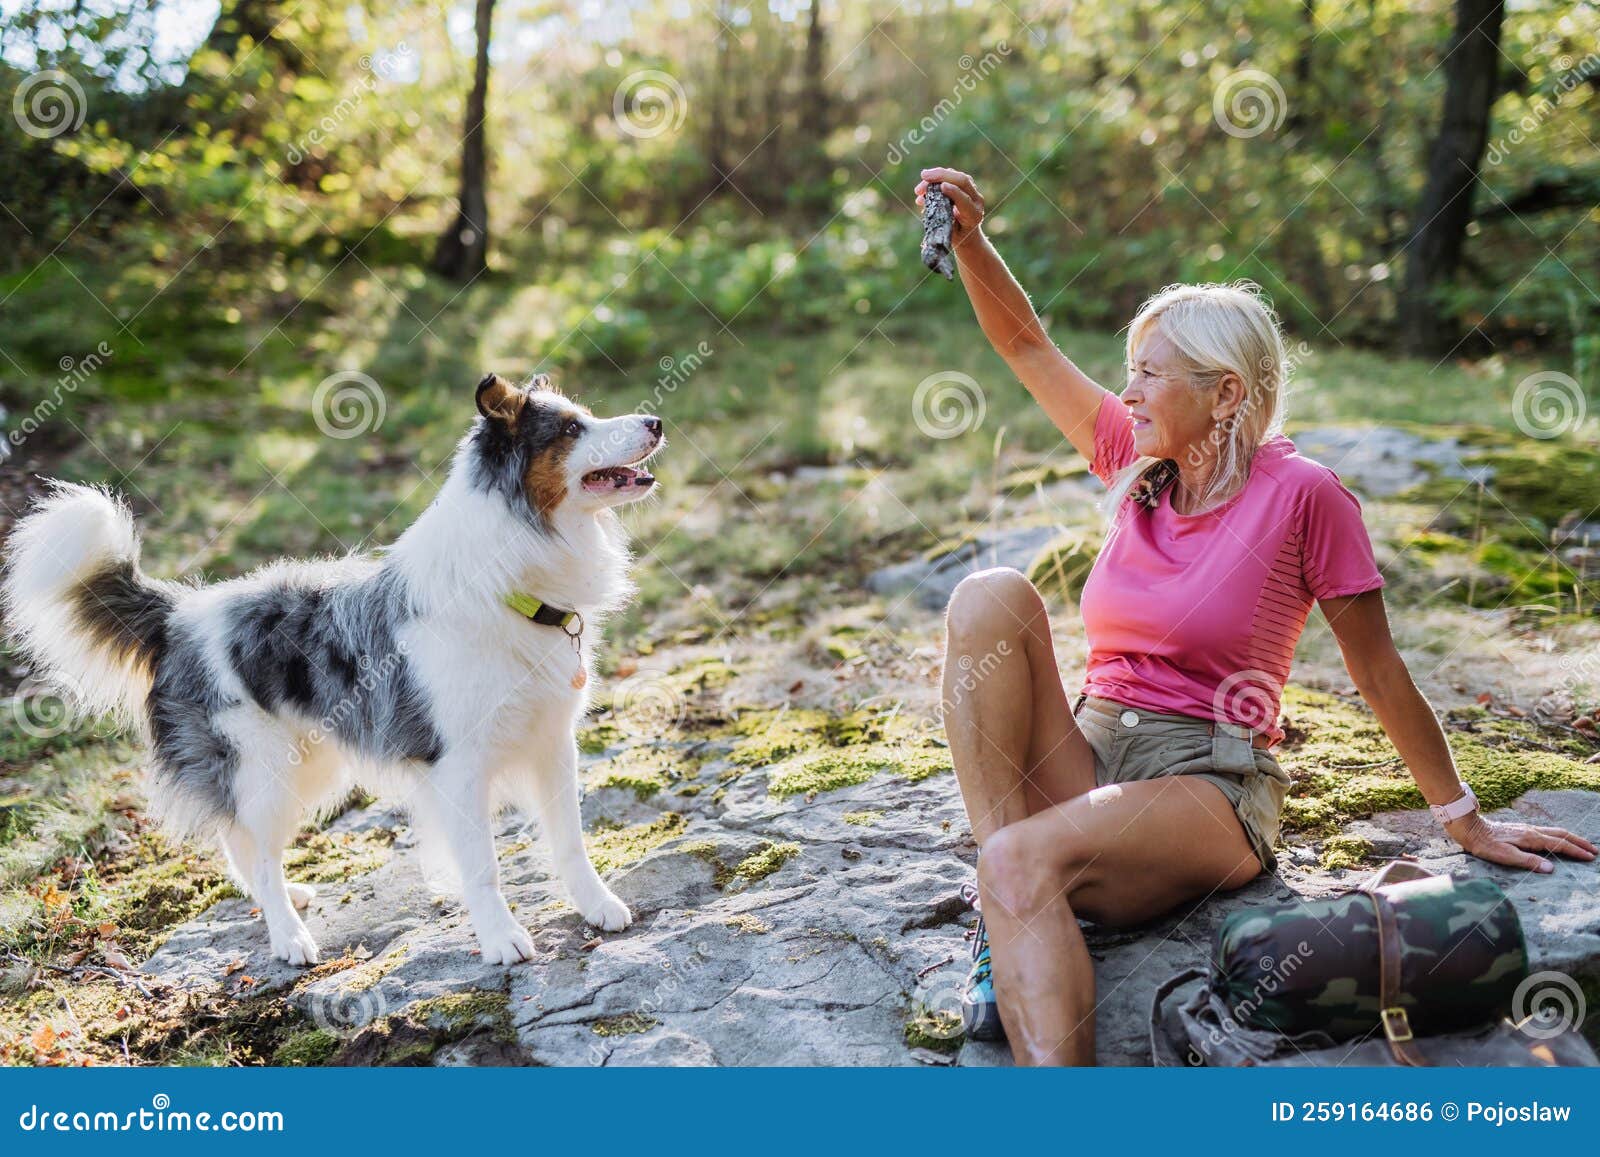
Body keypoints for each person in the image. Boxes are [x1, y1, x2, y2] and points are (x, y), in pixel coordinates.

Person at [914, 165, 1599, 1066]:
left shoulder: (1307, 497)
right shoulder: (1139, 458)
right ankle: (1009, 916)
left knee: (1010, 864)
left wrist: (1463, 815)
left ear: (1226, 393)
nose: (1126, 394)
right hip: (1091, 757)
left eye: (1149, 375)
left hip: (1207, 783)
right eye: (1130, 373)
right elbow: (1027, 344)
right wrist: (968, 239)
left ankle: (1017, 920)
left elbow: (1380, 670)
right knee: (987, 595)